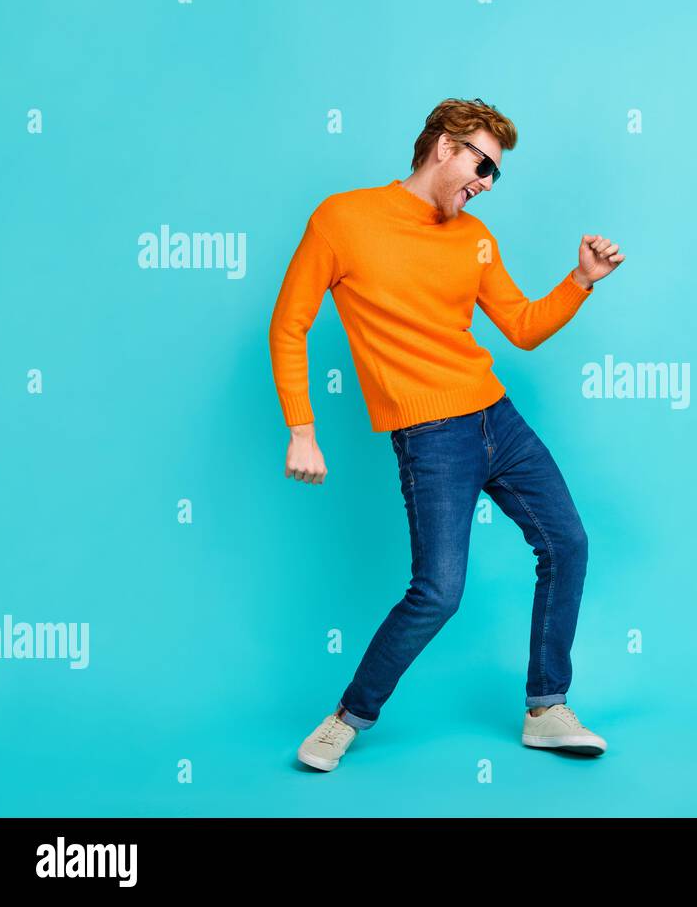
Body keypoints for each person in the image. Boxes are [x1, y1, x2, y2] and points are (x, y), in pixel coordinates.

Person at [267, 97, 626, 772]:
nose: (486, 182)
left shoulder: (473, 238)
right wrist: (302, 430)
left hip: (498, 416)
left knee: (568, 542)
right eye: (482, 164)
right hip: (430, 434)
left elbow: (519, 324)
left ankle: (547, 708)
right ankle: (348, 717)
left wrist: (581, 281)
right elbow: (290, 324)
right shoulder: (343, 219)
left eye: (497, 174)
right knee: (439, 591)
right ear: (443, 147)